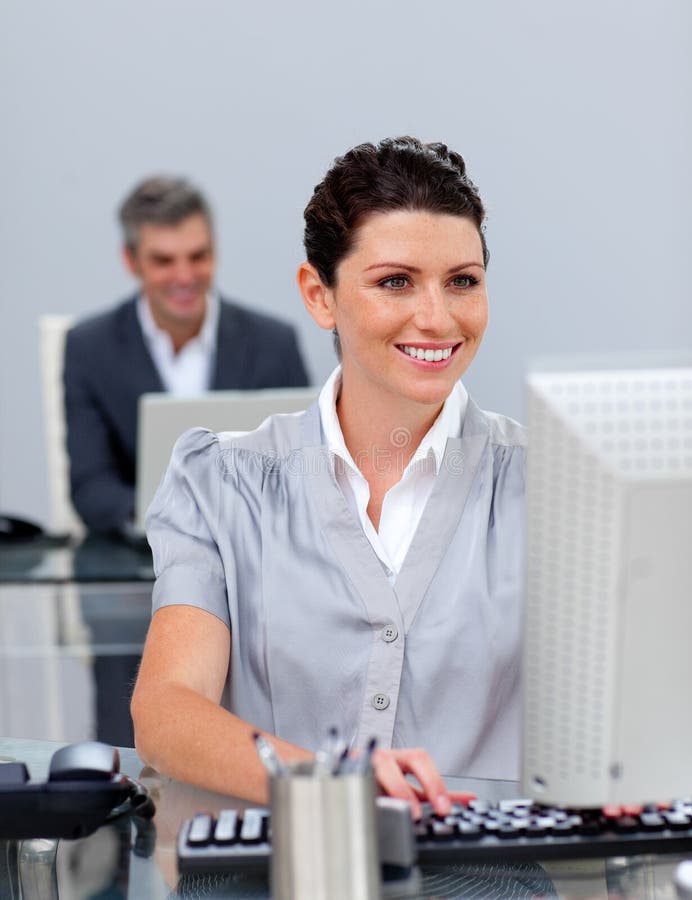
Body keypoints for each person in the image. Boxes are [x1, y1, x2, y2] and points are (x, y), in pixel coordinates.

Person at [131, 138, 526, 817]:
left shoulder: (552, 487)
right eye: (395, 281)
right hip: (282, 864)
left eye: (463, 281)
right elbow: (167, 711)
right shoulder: (221, 483)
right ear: (320, 296)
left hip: (494, 868)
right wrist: (333, 786)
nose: (437, 317)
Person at [63, 176, 310, 534]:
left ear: (215, 251)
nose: (184, 276)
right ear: (131, 261)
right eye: (164, 261)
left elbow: (299, 467)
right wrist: (169, 519)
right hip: (142, 552)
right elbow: (91, 485)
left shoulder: (274, 343)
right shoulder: (89, 348)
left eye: (198, 257)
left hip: (252, 544)